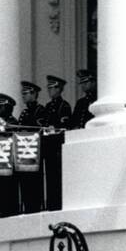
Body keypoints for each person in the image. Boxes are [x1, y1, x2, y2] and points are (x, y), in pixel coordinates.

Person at [39, 74, 72, 211]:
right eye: (48, 88)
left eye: (52, 88)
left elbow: (65, 126)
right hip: (48, 145)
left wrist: (54, 128)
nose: (49, 91)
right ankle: (51, 204)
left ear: (59, 89)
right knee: (50, 177)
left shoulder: (64, 106)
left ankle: (57, 204)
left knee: (57, 177)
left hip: (57, 146)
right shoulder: (48, 106)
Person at [15, 80, 43, 214]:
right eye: (23, 93)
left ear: (34, 94)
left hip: (33, 152)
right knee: (25, 184)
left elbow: (37, 130)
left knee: (34, 184)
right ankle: (28, 207)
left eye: (26, 93)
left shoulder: (39, 110)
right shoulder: (24, 113)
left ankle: (34, 207)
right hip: (23, 153)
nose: (23, 96)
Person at [0, 93, 21, 217]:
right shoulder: (4, 125)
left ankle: (9, 211)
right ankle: (5, 211)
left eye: (1, 106)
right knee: (3, 191)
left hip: (10, 164)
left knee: (9, 191)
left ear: (8, 107)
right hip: (3, 163)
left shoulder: (12, 123)